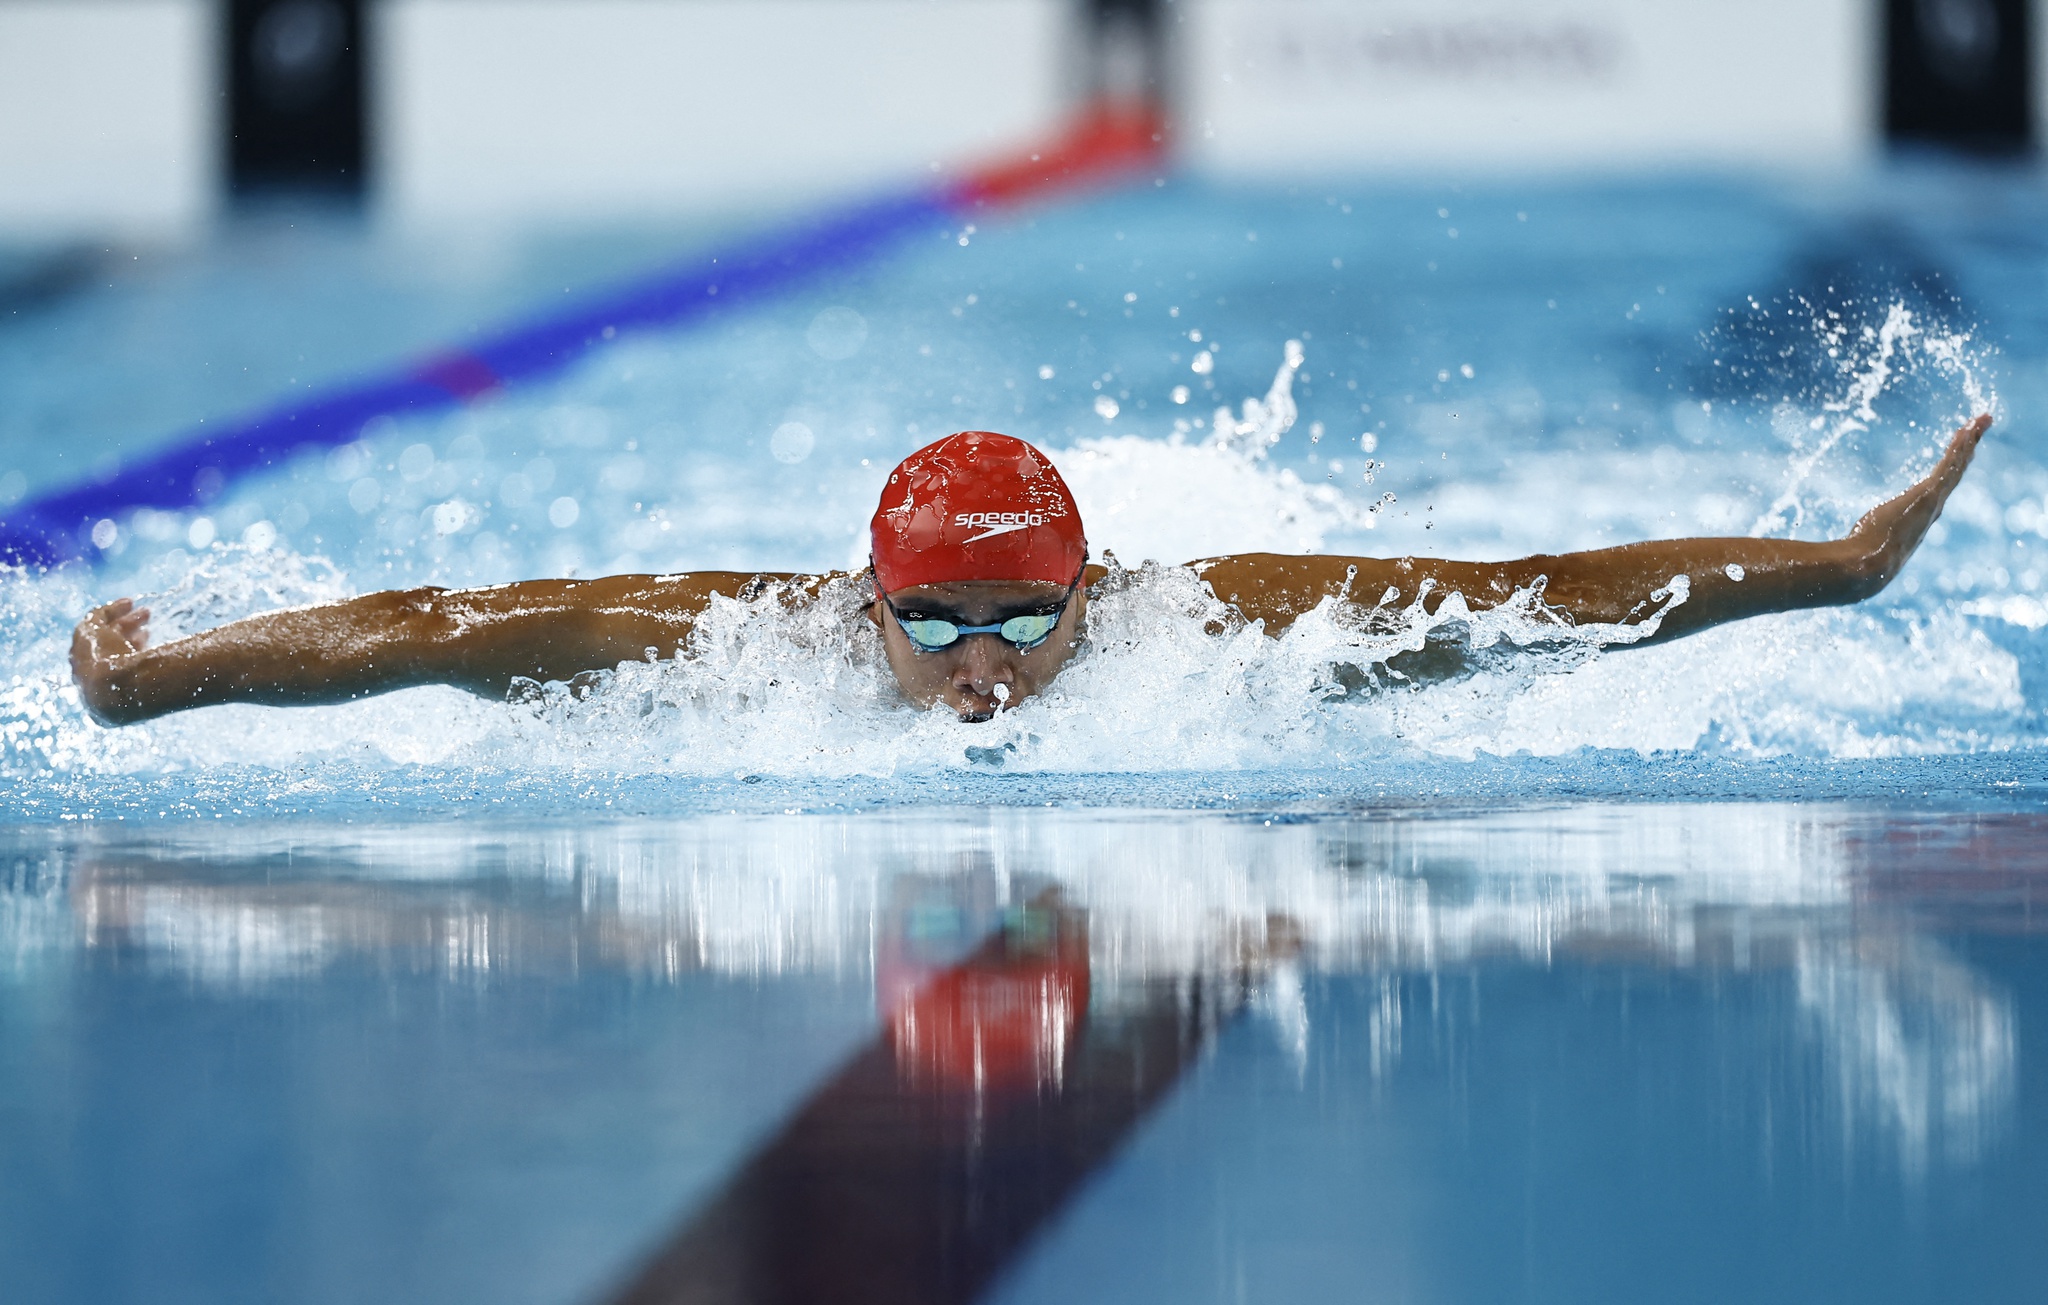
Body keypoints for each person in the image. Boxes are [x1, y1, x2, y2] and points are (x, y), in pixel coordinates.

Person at [70, 417, 1993, 727]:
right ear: (865, 598)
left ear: (1097, 591)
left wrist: (1835, 569)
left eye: (1023, 618)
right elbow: (431, 634)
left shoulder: (1204, 634)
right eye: (936, 620)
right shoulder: (758, 647)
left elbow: (1535, 585)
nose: (982, 665)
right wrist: (158, 680)